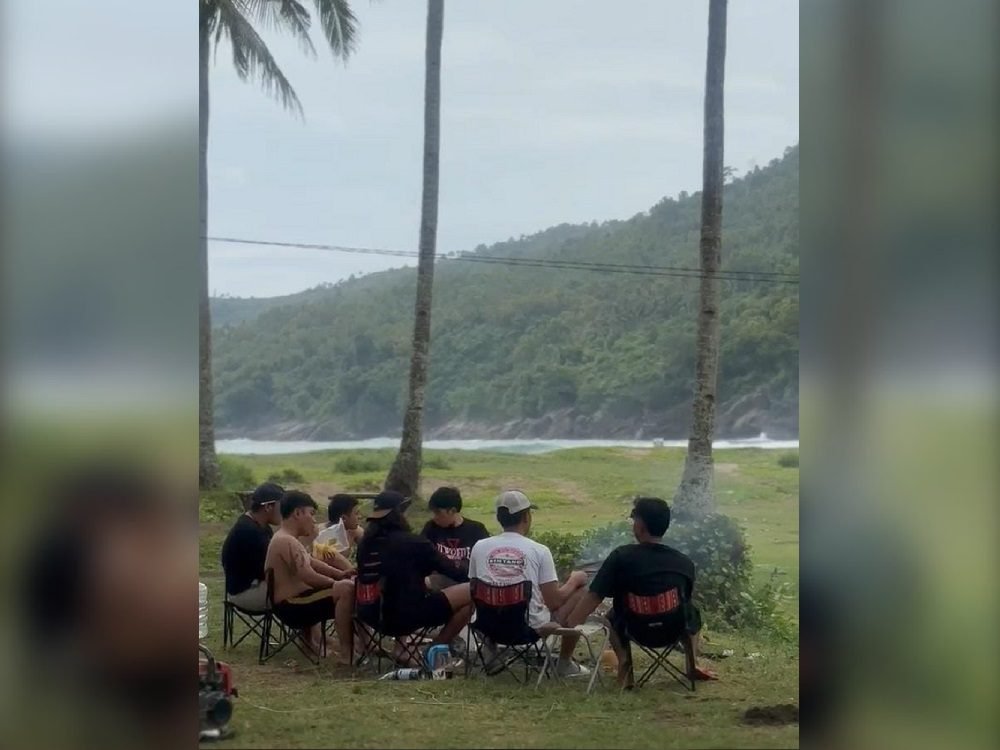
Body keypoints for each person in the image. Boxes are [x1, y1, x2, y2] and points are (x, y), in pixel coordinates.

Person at [564, 496, 713, 687]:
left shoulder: (621, 557)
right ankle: (692, 664)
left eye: (635, 520)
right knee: (691, 612)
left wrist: (570, 623)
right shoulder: (684, 562)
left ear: (640, 526)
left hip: (636, 629)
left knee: (612, 616)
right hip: (672, 629)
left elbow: (595, 595)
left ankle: (625, 665)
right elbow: (685, 598)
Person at [468, 490, 591, 677]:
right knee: (580, 591)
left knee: (494, 594)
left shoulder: (479, 546)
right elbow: (555, 602)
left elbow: (474, 589)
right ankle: (564, 664)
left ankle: (490, 653)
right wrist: (574, 581)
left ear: (499, 518)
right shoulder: (539, 551)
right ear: (526, 517)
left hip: (486, 626)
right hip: (527, 630)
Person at [355, 491, 473, 664]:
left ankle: (401, 649)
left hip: (370, 614)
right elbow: (455, 572)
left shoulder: (366, 543)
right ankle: (436, 647)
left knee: (400, 587)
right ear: (399, 514)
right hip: (405, 618)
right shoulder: (415, 543)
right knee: (472, 592)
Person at [264, 490, 356, 663]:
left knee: (345, 584)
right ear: (297, 513)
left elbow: (312, 562)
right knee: (347, 589)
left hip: (297, 601)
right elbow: (307, 574)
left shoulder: (288, 539)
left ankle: (350, 646)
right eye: (311, 514)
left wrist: (340, 574)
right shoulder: (285, 540)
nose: (314, 520)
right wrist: (336, 584)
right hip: (292, 606)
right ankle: (348, 653)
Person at [220, 482, 283, 611]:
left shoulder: (260, 526)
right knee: (297, 590)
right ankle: (308, 630)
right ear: (268, 507)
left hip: (254, 585)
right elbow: (269, 570)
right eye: (281, 506)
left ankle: (304, 630)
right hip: (244, 592)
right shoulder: (249, 532)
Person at [420, 486, 490, 591]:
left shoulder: (476, 530)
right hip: (438, 582)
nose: (434, 517)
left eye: (438, 513)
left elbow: (485, 563)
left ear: (452, 511)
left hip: (467, 582)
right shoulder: (431, 528)